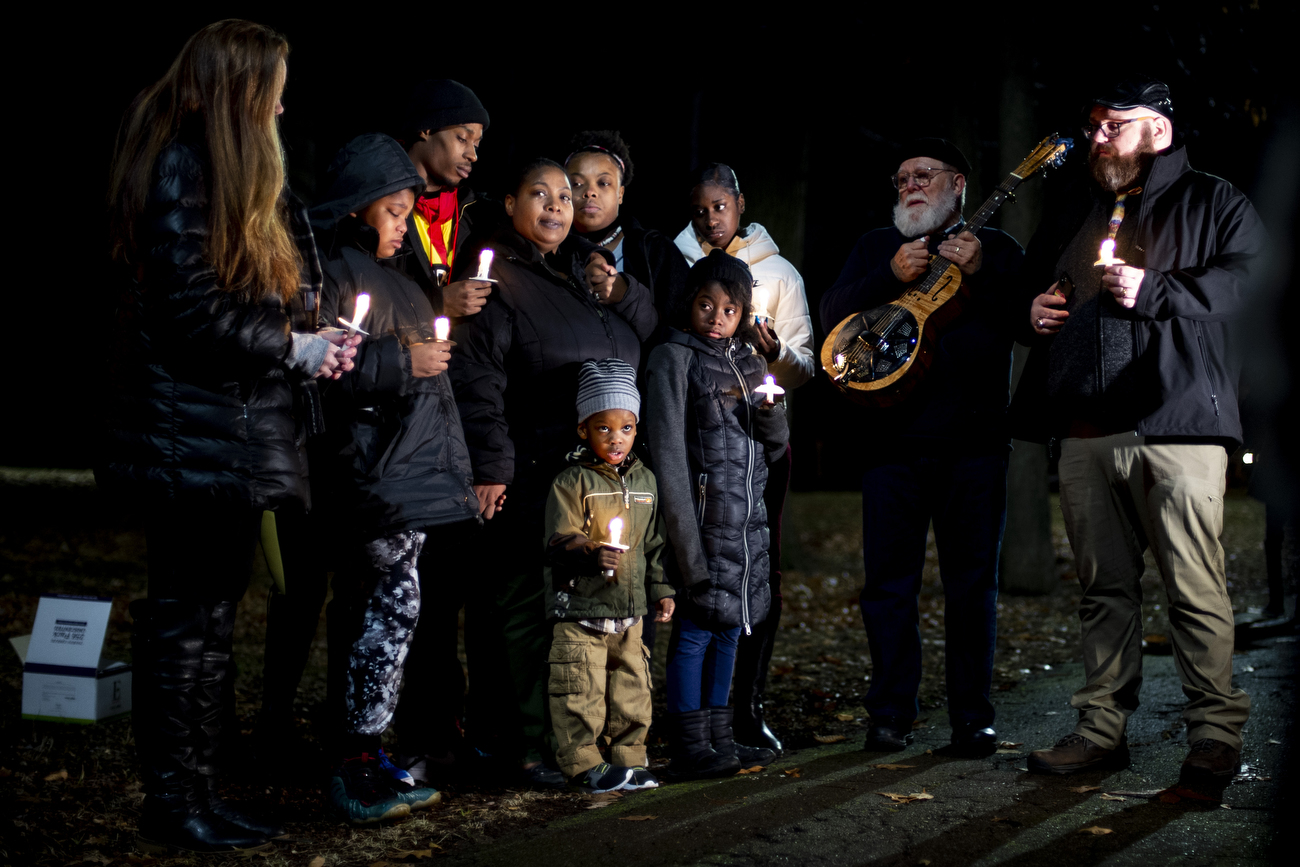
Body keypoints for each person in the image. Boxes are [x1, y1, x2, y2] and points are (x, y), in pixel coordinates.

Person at [100, 20, 354, 854]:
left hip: (226, 439)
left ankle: (201, 794)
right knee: (184, 627)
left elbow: (243, 296)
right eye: (274, 82)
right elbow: (190, 315)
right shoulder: (181, 162)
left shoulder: (223, 170)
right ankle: (175, 801)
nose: (284, 98)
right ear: (242, 87)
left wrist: (309, 339)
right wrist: (291, 346)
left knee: (209, 625)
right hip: (189, 442)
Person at [1013, 77, 1265, 781]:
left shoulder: (1214, 201)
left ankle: (1214, 734)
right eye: (1092, 124)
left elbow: (1252, 281)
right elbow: (1030, 288)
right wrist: (1029, 313)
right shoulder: (1073, 205)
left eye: (1110, 125)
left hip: (1178, 424)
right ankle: (1100, 731)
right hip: (1088, 428)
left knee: (1194, 583)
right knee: (1104, 589)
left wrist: (1155, 290)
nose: (1095, 137)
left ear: (1156, 130)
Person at [450, 158, 658, 786]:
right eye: (539, 194)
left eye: (564, 197)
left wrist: (613, 291)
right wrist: (492, 467)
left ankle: (581, 743)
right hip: (527, 469)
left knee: (579, 615)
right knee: (520, 608)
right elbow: (478, 376)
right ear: (510, 201)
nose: (556, 206)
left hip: (589, 476)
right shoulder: (496, 277)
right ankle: (521, 744)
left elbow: (644, 333)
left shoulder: (574, 275)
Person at [819, 138, 1024, 757]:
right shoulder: (877, 247)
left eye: (924, 175)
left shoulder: (1001, 250)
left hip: (977, 449)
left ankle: (972, 718)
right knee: (888, 587)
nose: (909, 185)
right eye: (902, 178)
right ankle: (889, 715)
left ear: (958, 184)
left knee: (971, 588)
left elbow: (1028, 321)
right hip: (890, 447)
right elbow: (830, 313)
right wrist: (887, 276)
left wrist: (984, 271)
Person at [309, 134, 479, 823]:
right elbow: (329, 368)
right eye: (393, 211)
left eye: (409, 212)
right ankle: (356, 760)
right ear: (357, 210)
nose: (403, 224)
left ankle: (371, 752)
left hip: (409, 475)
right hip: (373, 477)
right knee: (380, 616)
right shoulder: (340, 274)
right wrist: (400, 362)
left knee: (395, 616)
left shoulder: (404, 279)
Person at [673, 164, 815, 754]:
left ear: (740, 204)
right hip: (696, 442)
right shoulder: (678, 266)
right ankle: (692, 715)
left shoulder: (779, 275)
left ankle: (744, 705)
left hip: (758, 442)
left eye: (720, 206)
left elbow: (805, 365)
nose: (711, 219)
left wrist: (776, 355)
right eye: (701, 209)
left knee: (758, 569)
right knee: (696, 572)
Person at [645, 250, 789, 778]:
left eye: (729, 308)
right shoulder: (673, 359)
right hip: (701, 525)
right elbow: (666, 454)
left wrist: (771, 412)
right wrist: (686, 549)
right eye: (706, 304)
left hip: (743, 523)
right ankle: (689, 744)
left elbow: (774, 446)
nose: (716, 315)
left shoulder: (749, 360)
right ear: (690, 304)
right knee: (696, 630)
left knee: (731, 629)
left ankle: (721, 739)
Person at [543, 359, 674, 793]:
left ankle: (629, 759)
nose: (616, 438)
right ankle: (584, 764)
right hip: (581, 606)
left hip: (630, 612)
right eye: (604, 428)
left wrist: (660, 589)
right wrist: (591, 552)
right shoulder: (571, 481)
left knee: (632, 685)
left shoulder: (647, 481)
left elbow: (653, 543)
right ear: (584, 429)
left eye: (626, 428)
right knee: (580, 686)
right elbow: (559, 538)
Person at [399, 79, 500, 319]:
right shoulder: (379, 203)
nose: (473, 155)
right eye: (462, 139)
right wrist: (436, 303)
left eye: (476, 144)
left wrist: (592, 255)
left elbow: (540, 228)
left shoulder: (477, 212)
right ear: (426, 129)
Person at [565, 130, 689, 325]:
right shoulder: (550, 251)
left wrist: (626, 295)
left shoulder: (656, 251)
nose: (590, 192)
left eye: (603, 183)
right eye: (577, 183)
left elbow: (679, 326)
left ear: (620, 193)